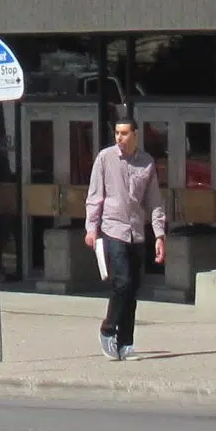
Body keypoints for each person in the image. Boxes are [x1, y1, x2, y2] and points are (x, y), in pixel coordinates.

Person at [83, 120, 167, 360]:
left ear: (135, 135)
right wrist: (91, 228)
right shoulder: (105, 158)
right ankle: (108, 329)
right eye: (117, 132)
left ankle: (126, 344)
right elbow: (95, 196)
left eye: (124, 133)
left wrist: (159, 235)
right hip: (113, 228)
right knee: (122, 282)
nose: (119, 137)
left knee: (133, 289)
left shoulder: (147, 163)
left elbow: (154, 202)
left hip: (137, 231)